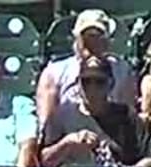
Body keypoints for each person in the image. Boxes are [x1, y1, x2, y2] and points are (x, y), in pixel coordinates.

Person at [39, 55, 151, 167]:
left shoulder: (127, 117)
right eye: (86, 82)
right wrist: (67, 143)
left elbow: (149, 159)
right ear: (78, 85)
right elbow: (44, 161)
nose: (92, 88)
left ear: (110, 84)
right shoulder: (61, 116)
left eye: (99, 82)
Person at [36, 9, 138, 138]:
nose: (91, 43)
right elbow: (46, 126)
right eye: (86, 37)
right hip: (69, 142)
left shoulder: (122, 70)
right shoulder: (54, 72)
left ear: (107, 41)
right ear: (76, 39)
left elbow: (127, 119)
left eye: (97, 37)